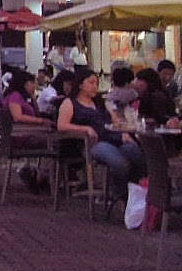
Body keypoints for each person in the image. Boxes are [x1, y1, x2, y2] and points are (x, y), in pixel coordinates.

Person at [55, 70, 146, 200]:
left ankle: (135, 192)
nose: (95, 86)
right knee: (120, 163)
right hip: (93, 143)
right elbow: (61, 125)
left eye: (97, 84)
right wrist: (85, 128)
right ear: (80, 84)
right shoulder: (70, 103)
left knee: (135, 153)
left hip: (113, 138)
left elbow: (115, 122)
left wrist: (123, 127)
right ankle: (120, 194)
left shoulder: (100, 104)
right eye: (91, 83)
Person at [2, 69, 51, 195]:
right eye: (32, 83)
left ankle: (41, 175)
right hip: (22, 136)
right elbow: (17, 116)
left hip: (26, 134)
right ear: (24, 83)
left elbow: (36, 112)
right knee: (56, 144)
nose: (34, 86)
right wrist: (40, 121)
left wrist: (34, 100)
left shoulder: (23, 98)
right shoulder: (15, 97)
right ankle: (44, 175)